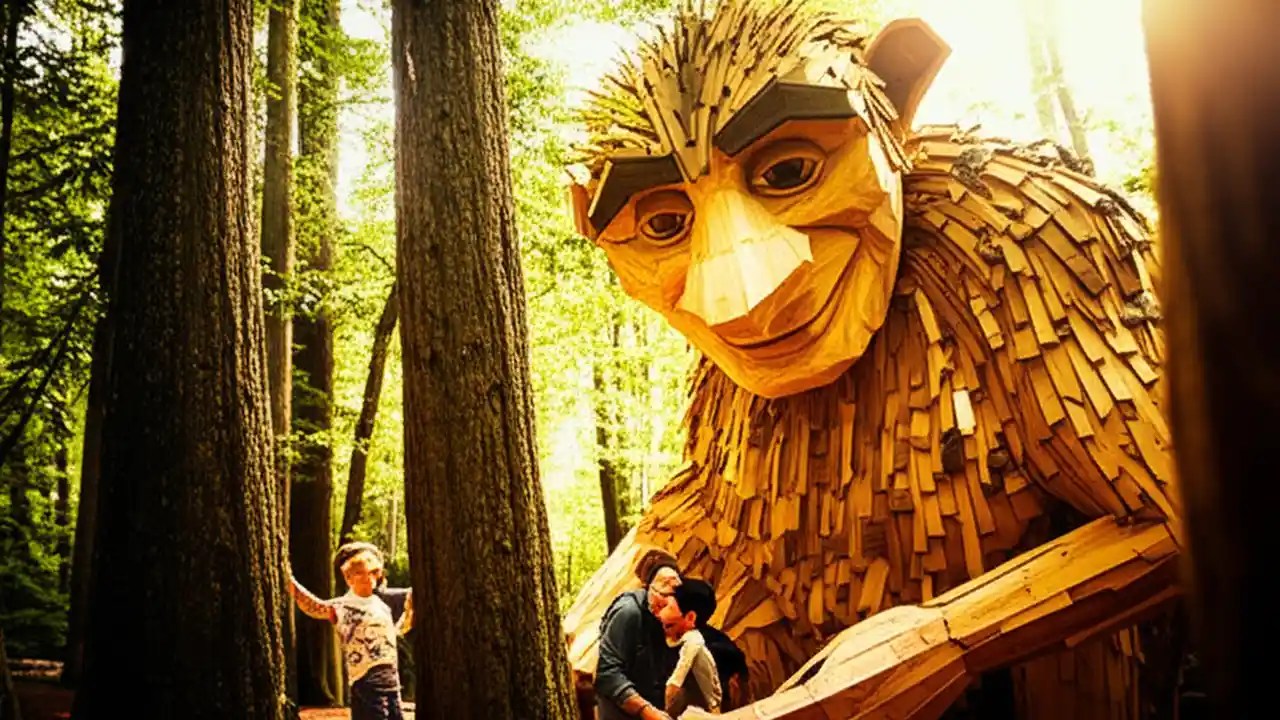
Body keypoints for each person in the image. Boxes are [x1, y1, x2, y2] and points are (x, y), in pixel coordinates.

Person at [290, 541, 413, 720]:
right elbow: (314, 606)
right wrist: (290, 582)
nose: (367, 578)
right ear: (348, 578)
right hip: (365, 682)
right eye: (360, 573)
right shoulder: (341, 606)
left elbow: (394, 634)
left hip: (392, 682)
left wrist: (410, 611)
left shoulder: (382, 606)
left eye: (372, 573)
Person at [595, 550, 684, 720]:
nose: (667, 601)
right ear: (648, 588)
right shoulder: (628, 613)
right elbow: (608, 674)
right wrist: (646, 710)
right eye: (663, 594)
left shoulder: (669, 617)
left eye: (673, 596)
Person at [658, 579, 722, 716]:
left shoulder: (693, 642)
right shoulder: (673, 637)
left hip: (705, 710)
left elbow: (675, 683)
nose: (660, 614)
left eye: (668, 607)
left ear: (690, 618)